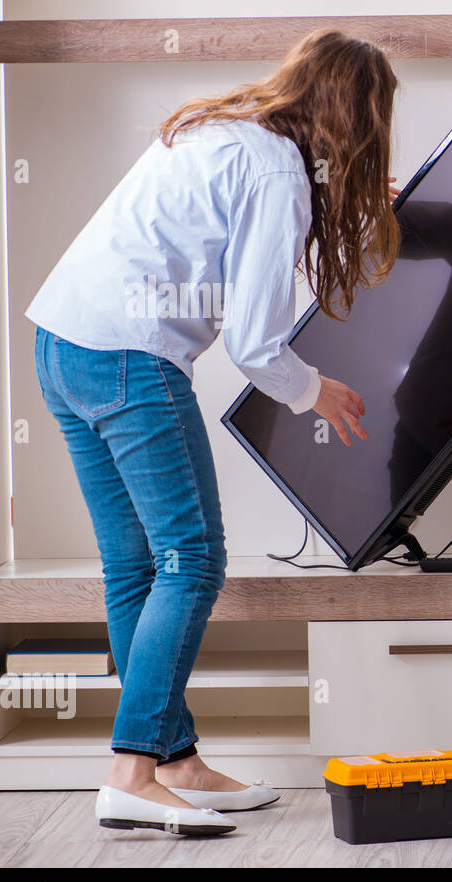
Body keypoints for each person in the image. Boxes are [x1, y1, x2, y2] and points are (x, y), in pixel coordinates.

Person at [26, 29, 396, 835]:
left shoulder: (224, 129)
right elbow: (256, 345)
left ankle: (175, 760)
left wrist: (356, 194)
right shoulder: (279, 171)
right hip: (128, 356)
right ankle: (131, 771)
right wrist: (317, 393)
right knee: (192, 558)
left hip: (60, 342)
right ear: (358, 119)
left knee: (136, 565)